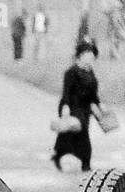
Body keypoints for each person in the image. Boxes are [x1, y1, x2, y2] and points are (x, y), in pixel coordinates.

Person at [53, 40, 104, 172]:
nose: (91, 57)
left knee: (69, 136)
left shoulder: (90, 73)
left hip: (85, 109)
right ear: (80, 55)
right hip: (72, 107)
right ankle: (85, 163)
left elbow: (93, 94)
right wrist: (65, 107)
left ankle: (59, 155)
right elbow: (66, 92)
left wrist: (98, 106)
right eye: (88, 54)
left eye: (92, 55)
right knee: (82, 136)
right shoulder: (71, 72)